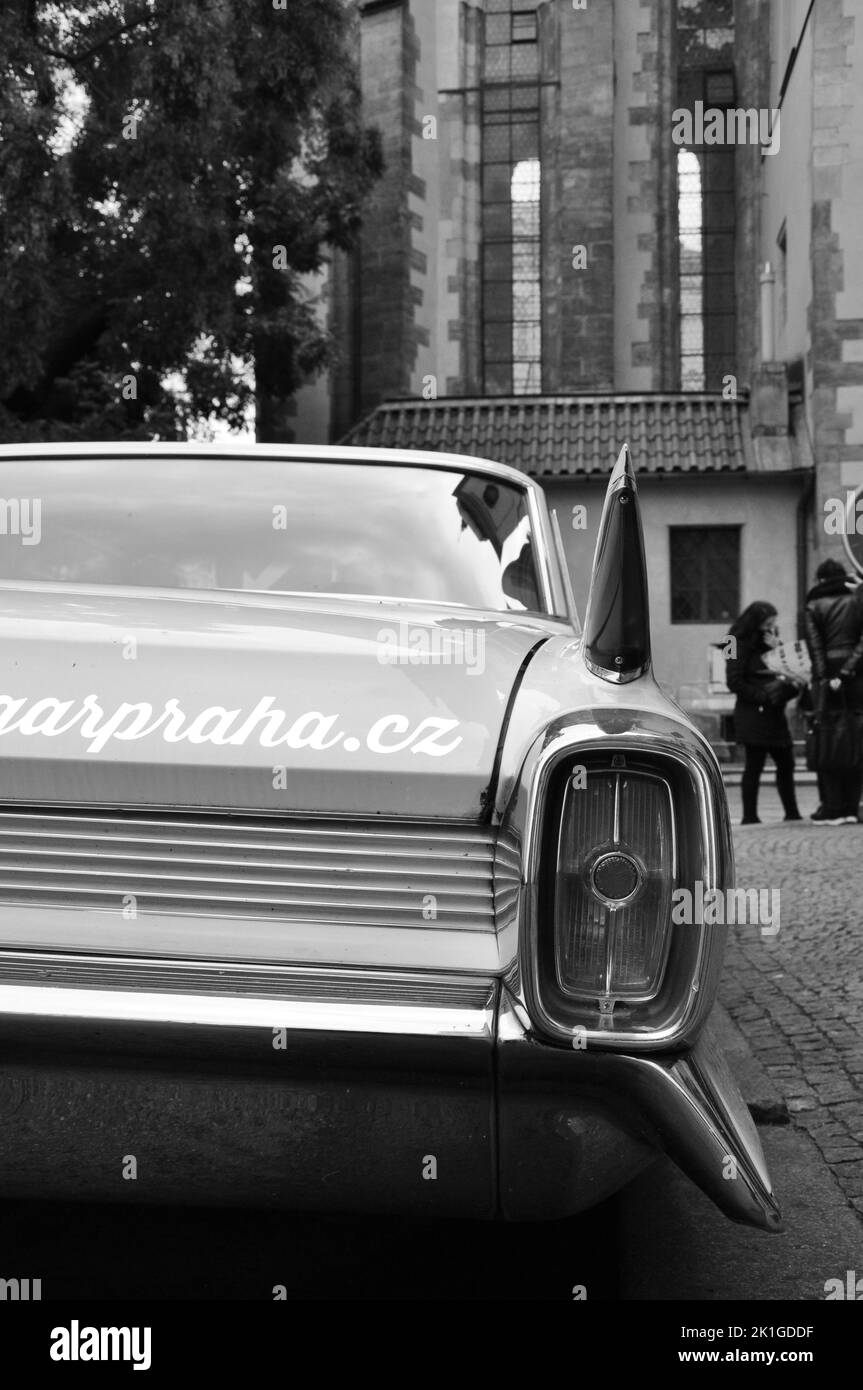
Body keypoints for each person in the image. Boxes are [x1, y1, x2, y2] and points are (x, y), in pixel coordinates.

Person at [725, 601, 802, 825]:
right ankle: (750, 816)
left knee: (786, 762)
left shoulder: (770, 639)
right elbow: (733, 680)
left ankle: (792, 812)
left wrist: (777, 646)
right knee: (754, 764)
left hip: (774, 712)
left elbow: (787, 664)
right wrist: (762, 697)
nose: (771, 626)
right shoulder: (732, 640)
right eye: (767, 622)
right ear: (755, 620)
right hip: (752, 712)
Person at [803, 558, 863, 825]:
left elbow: (815, 647)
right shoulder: (856, 600)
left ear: (820, 579)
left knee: (827, 739)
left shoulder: (813, 604)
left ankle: (832, 806)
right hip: (857, 677)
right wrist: (848, 670)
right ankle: (851, 806)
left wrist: (826, 678)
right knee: (856, 738)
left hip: (827, 678)